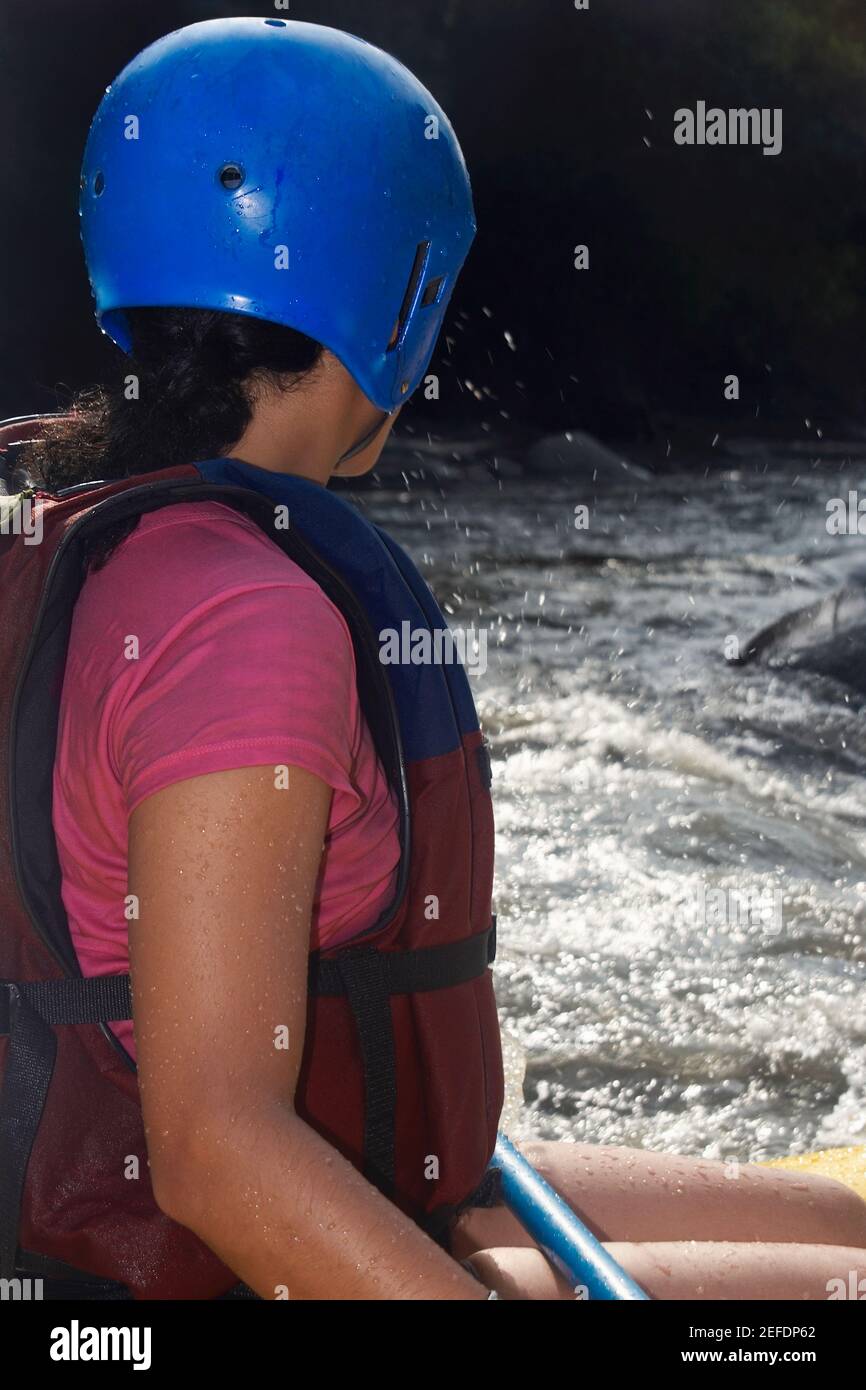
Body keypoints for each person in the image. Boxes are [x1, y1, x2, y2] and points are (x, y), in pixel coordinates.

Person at [3, 16, 865, 1301]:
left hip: (252, 1189)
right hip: (188, 1264)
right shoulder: (240, 614)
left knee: (841, 1223)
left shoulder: (86, 519)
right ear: (397, 297)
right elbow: (216, 1152)